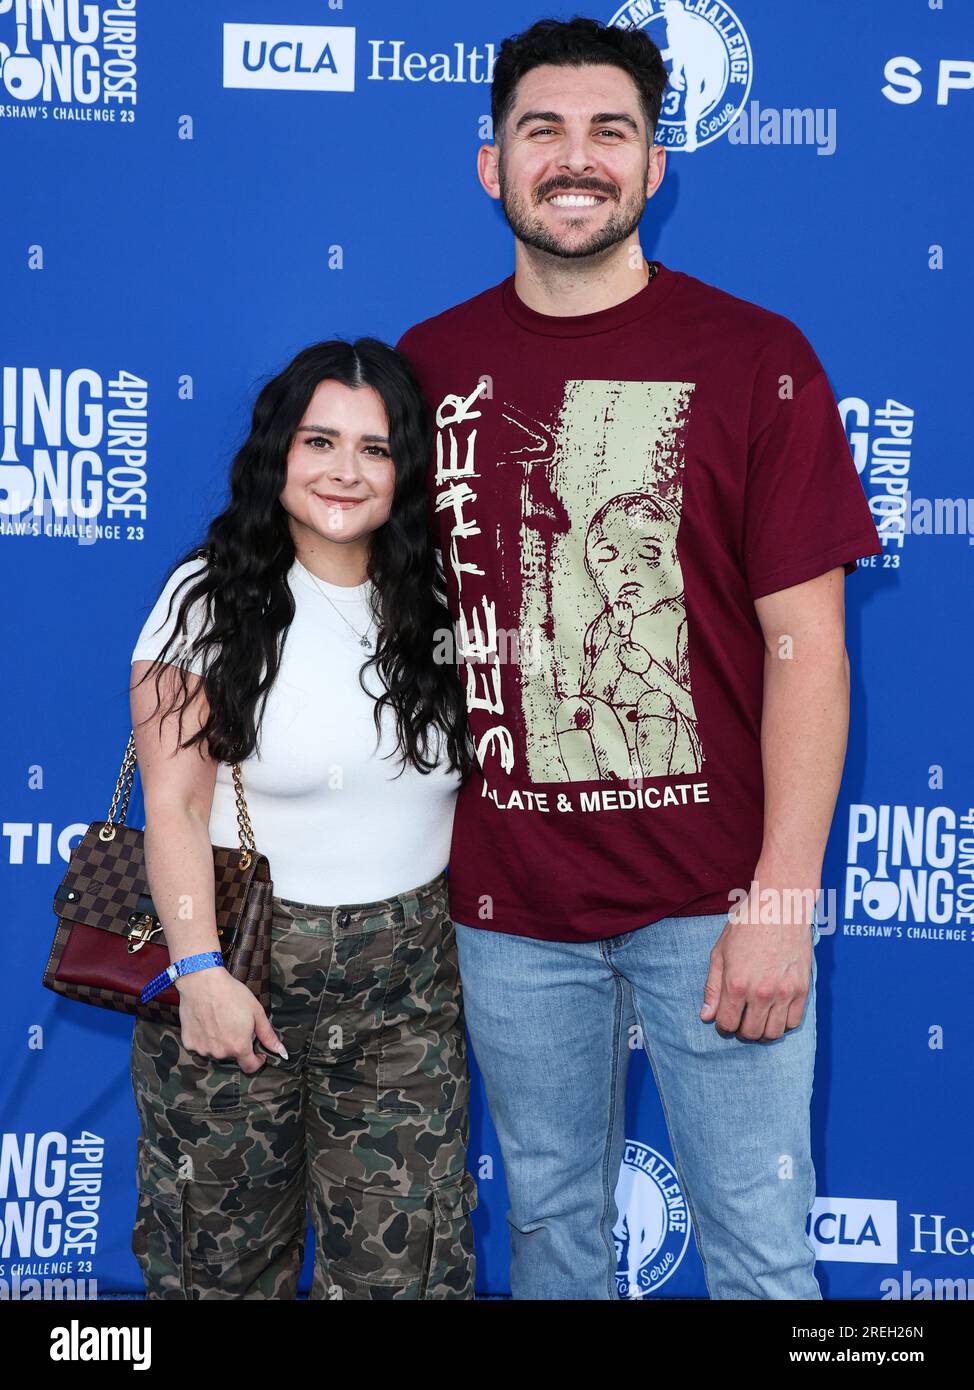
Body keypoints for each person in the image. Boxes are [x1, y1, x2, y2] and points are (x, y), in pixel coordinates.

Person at [395, 17, 883, 1300]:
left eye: (609, 129)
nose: (575, 156)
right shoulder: (425, 368)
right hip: (507, 911)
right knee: (554, 1240)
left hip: (713, 906)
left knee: (762, 1259)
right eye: (539, 129)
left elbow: (808, 648)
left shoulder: (755, 360)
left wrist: (780, 899)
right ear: (489, 165)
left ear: (654, 165)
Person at [128, 338, 478, 1300]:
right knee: (218, 1271)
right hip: (237, 970)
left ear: (406, 469)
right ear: (277, 449)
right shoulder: (204, 600)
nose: (344, 470)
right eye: (320, 440)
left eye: (375, 448)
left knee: (406, 1272)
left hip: (408, 996)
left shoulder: (445, 603)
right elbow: (175, 802)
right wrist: (197, 971)